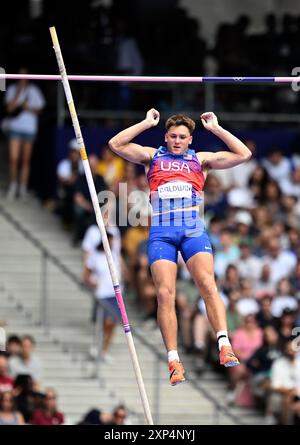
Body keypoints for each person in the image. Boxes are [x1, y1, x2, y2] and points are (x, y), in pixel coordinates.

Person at [109, 109, 252, 385]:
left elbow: (244, 154)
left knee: (207, 284)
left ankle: (223, 342)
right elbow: (115, 145)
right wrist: (145, 123)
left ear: (189, 139)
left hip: (192, 231)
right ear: (166, 137)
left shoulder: (201, 160)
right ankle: (174, 359)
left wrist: (217, 129)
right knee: (165, 293)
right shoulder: (152, 156)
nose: (176, 140)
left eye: (182, 137)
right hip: (162, 232)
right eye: (172, 136)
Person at [3, 67, 45, 200]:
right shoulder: (11, 89)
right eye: (19, 76)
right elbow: (9, 109)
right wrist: (18, 95)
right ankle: (13, 186)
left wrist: (29, 108)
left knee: (25, 161)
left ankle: (22, 188)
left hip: (29, 129)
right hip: (15, 128)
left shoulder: (34, 91)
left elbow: (40, 111)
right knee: (13, 159)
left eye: (24, 76)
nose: (22, 79)